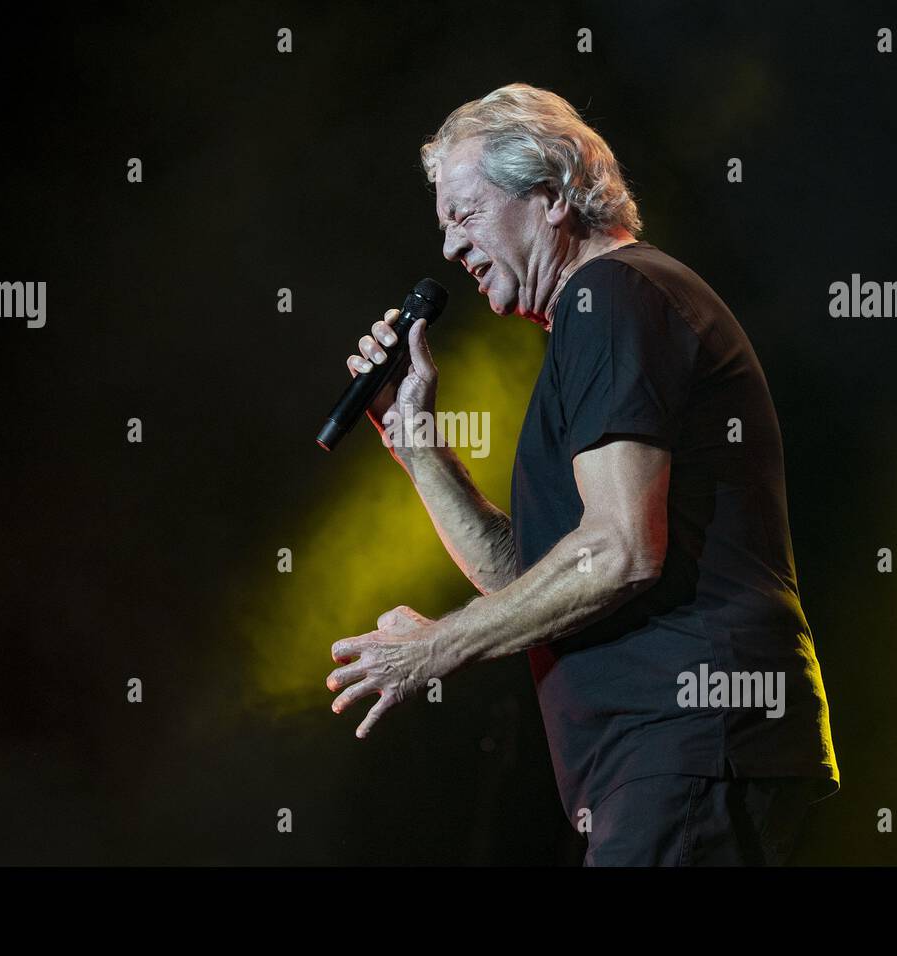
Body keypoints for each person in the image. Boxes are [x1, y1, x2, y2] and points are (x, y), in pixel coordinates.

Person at [325, 83, 839, 865]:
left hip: (689, 736)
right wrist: (415, 440)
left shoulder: (616, 292)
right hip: (669, 758)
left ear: (552, 195)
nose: (449, 248)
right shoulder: (599, 315)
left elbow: (620, 550)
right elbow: (529, 578)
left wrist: (434, 648)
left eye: (464, 214)